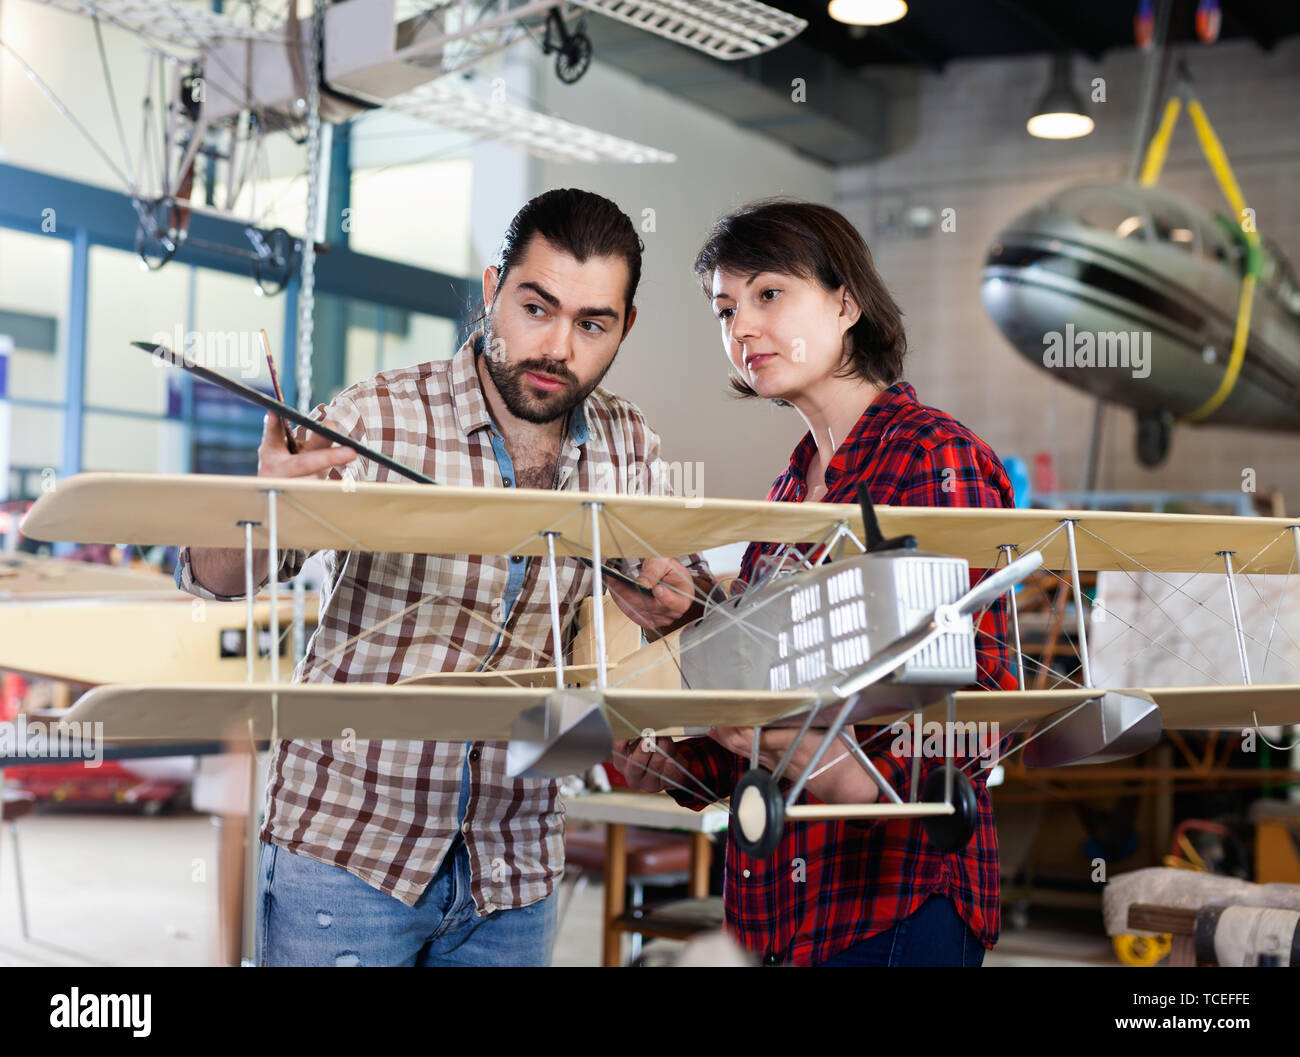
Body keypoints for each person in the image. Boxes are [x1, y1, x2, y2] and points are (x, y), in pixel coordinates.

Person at [176, 188, 714, 966]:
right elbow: (212, 579)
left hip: (515, 862)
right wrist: (266, 508)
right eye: (537, 307)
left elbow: (684, 592)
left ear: (624, 327)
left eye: (592, 323)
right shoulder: (380, 416)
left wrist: (678, 599)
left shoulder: (628, 445)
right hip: (351, 847)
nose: (558, 346)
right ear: (493, 289)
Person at [616, 198, 1018, 967]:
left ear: (846, 301)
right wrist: (673, 757)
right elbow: (770, 722)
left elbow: (981, 699)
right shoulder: (786, 494)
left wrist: (852, 779)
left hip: (894, 902)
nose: (742, 328)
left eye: (769, 295)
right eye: (724, 308)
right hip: (775, 910)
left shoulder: (934, 457)